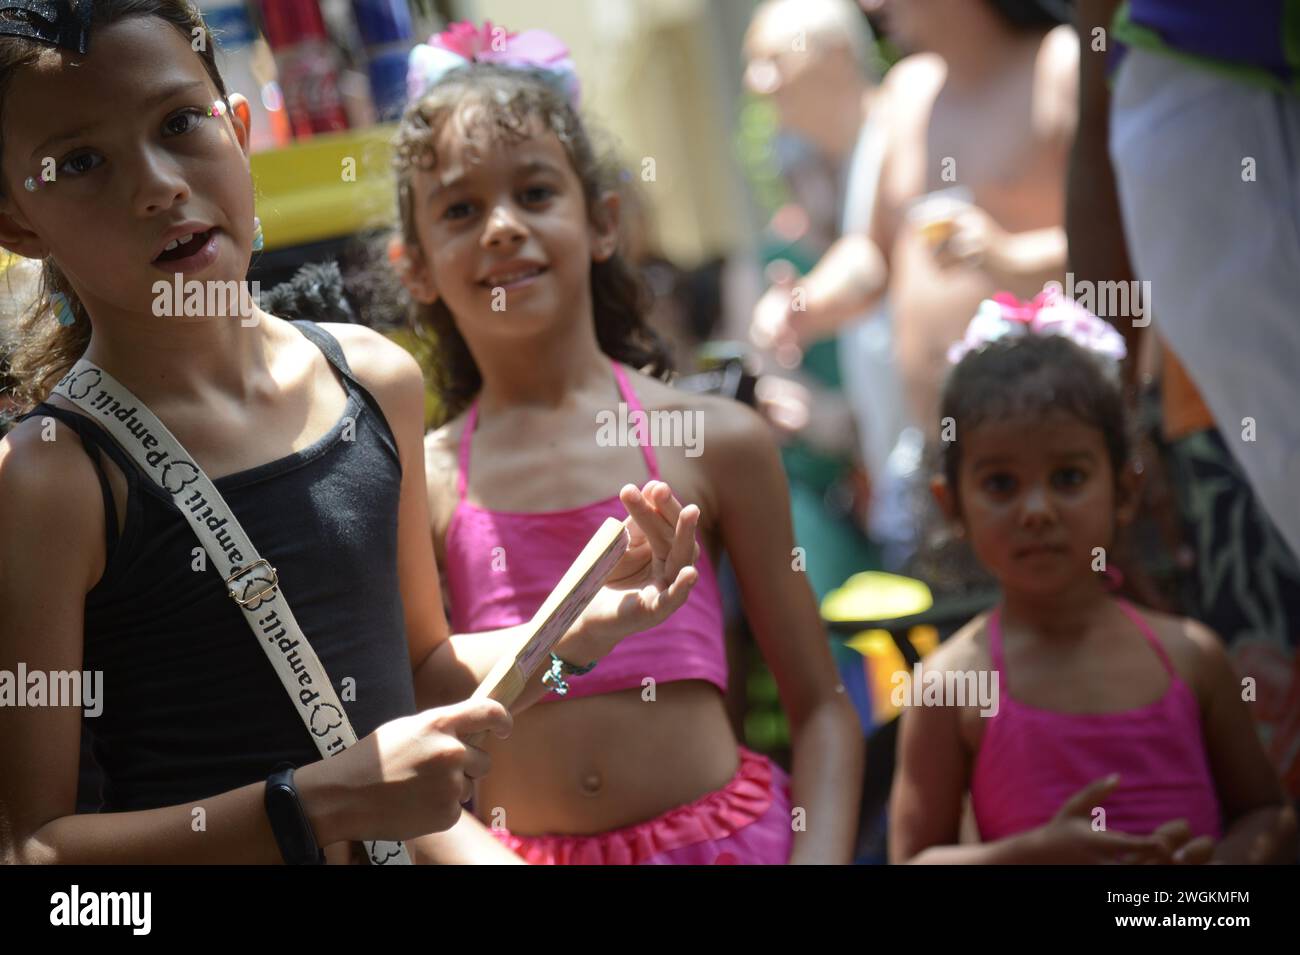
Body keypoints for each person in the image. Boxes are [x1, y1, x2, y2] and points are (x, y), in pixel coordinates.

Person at [0, 0, 698, 864]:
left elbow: (422, 674)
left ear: (240, 127)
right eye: (79, 162)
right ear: (16, 224)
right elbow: (33, 851)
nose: (155, 184)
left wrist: (572, 630)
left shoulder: (374, 380)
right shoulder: (49, 478)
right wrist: (309, 806)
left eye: (181, 122)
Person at [388, 22, 863, 864]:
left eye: (535, 193)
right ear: (416, 265)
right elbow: (403, 734)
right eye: (461, 209)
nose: (501, 227)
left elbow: (823, 708)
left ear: (604, 221)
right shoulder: (416, 482)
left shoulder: (720, 443)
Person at [888, 288, 1297, 863]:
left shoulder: (1192, 658)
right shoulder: (948, 686)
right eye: (1002, 484)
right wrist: (1030, 854)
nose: (1037, 510)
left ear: (1125, 490)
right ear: (952, 504)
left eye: (1069, 477)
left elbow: (1269, 814)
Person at [752, 0, 1077, 447]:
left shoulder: (1061, 65)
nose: (871, 4)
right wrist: (808, 303)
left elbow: (1126, 246)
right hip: (932, 455)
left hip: (1054, 437)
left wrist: (1008, 256)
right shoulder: (906, 93)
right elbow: (873, 255)